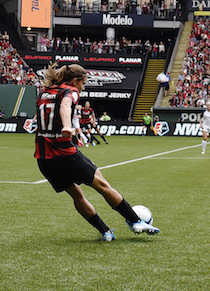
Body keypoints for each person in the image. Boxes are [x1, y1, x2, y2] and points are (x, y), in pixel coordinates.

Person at [35, 63, 159, 241]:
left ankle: (105, 232)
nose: (83, 87)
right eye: (83, 83)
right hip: (65, 153)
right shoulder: (70, 90)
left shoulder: (44, 91)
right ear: (75, 81)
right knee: (102, 184)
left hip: (44, 158)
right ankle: (135, 221)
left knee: (77, 195)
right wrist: (68, 126)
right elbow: (65, 105)